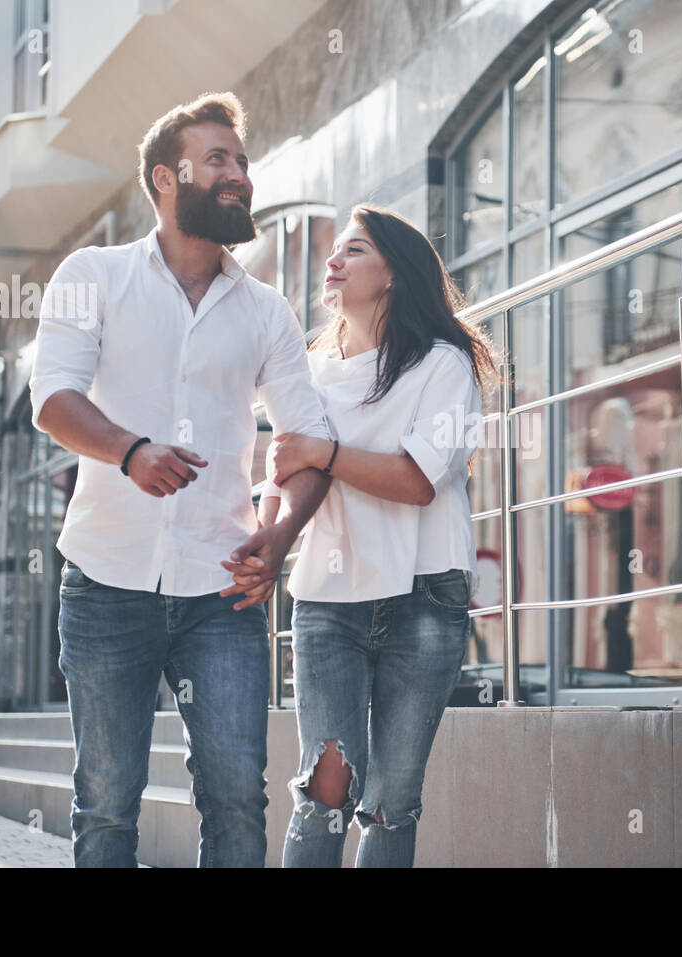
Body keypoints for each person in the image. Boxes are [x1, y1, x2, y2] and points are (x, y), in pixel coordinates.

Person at [29, 92, 333, 867]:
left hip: (221, 592)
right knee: (106, 800)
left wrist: (281, 532)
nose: (240, 176)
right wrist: (129, 450)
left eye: (242, 162)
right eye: (219, 160)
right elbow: (54, 401)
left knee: (235, 793)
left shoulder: (266, 311)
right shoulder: (92, 274)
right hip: (105, 582)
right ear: (167, 177)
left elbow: (309, 442)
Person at [226, 203, 497, 867]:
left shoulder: (444, 363)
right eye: (335, 251)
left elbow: (414, 480)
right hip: (327, 597)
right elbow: (281, 471)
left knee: (392, 800)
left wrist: (323, 451)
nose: (333, 262)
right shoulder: (308, 371)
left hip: (425, 596)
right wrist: (268, 538)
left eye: (354, 251)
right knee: (326, 789)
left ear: (394, 275)